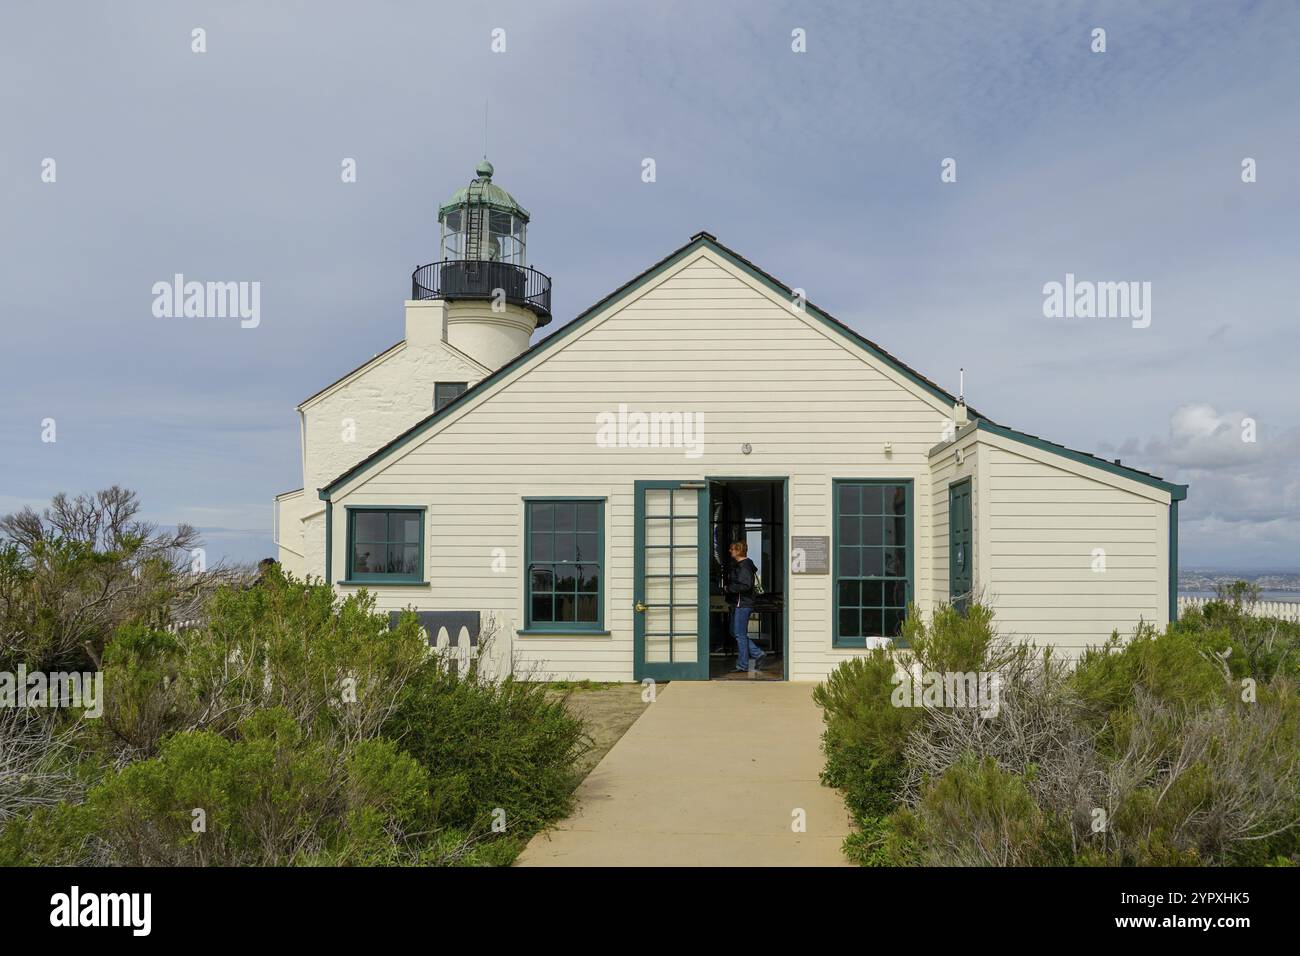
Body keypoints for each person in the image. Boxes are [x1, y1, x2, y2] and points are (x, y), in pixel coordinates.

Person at [723, 541, 765, 672]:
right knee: (736, 632)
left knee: (739, 634)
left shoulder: (744, 566)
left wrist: (728, 588)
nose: (730, 551)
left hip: (743, 603)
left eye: (732, 549)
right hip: (740, 603)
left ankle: (743, 664)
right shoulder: (743, 565)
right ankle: (757, 654)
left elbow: (745, 586)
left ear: (738, 551)